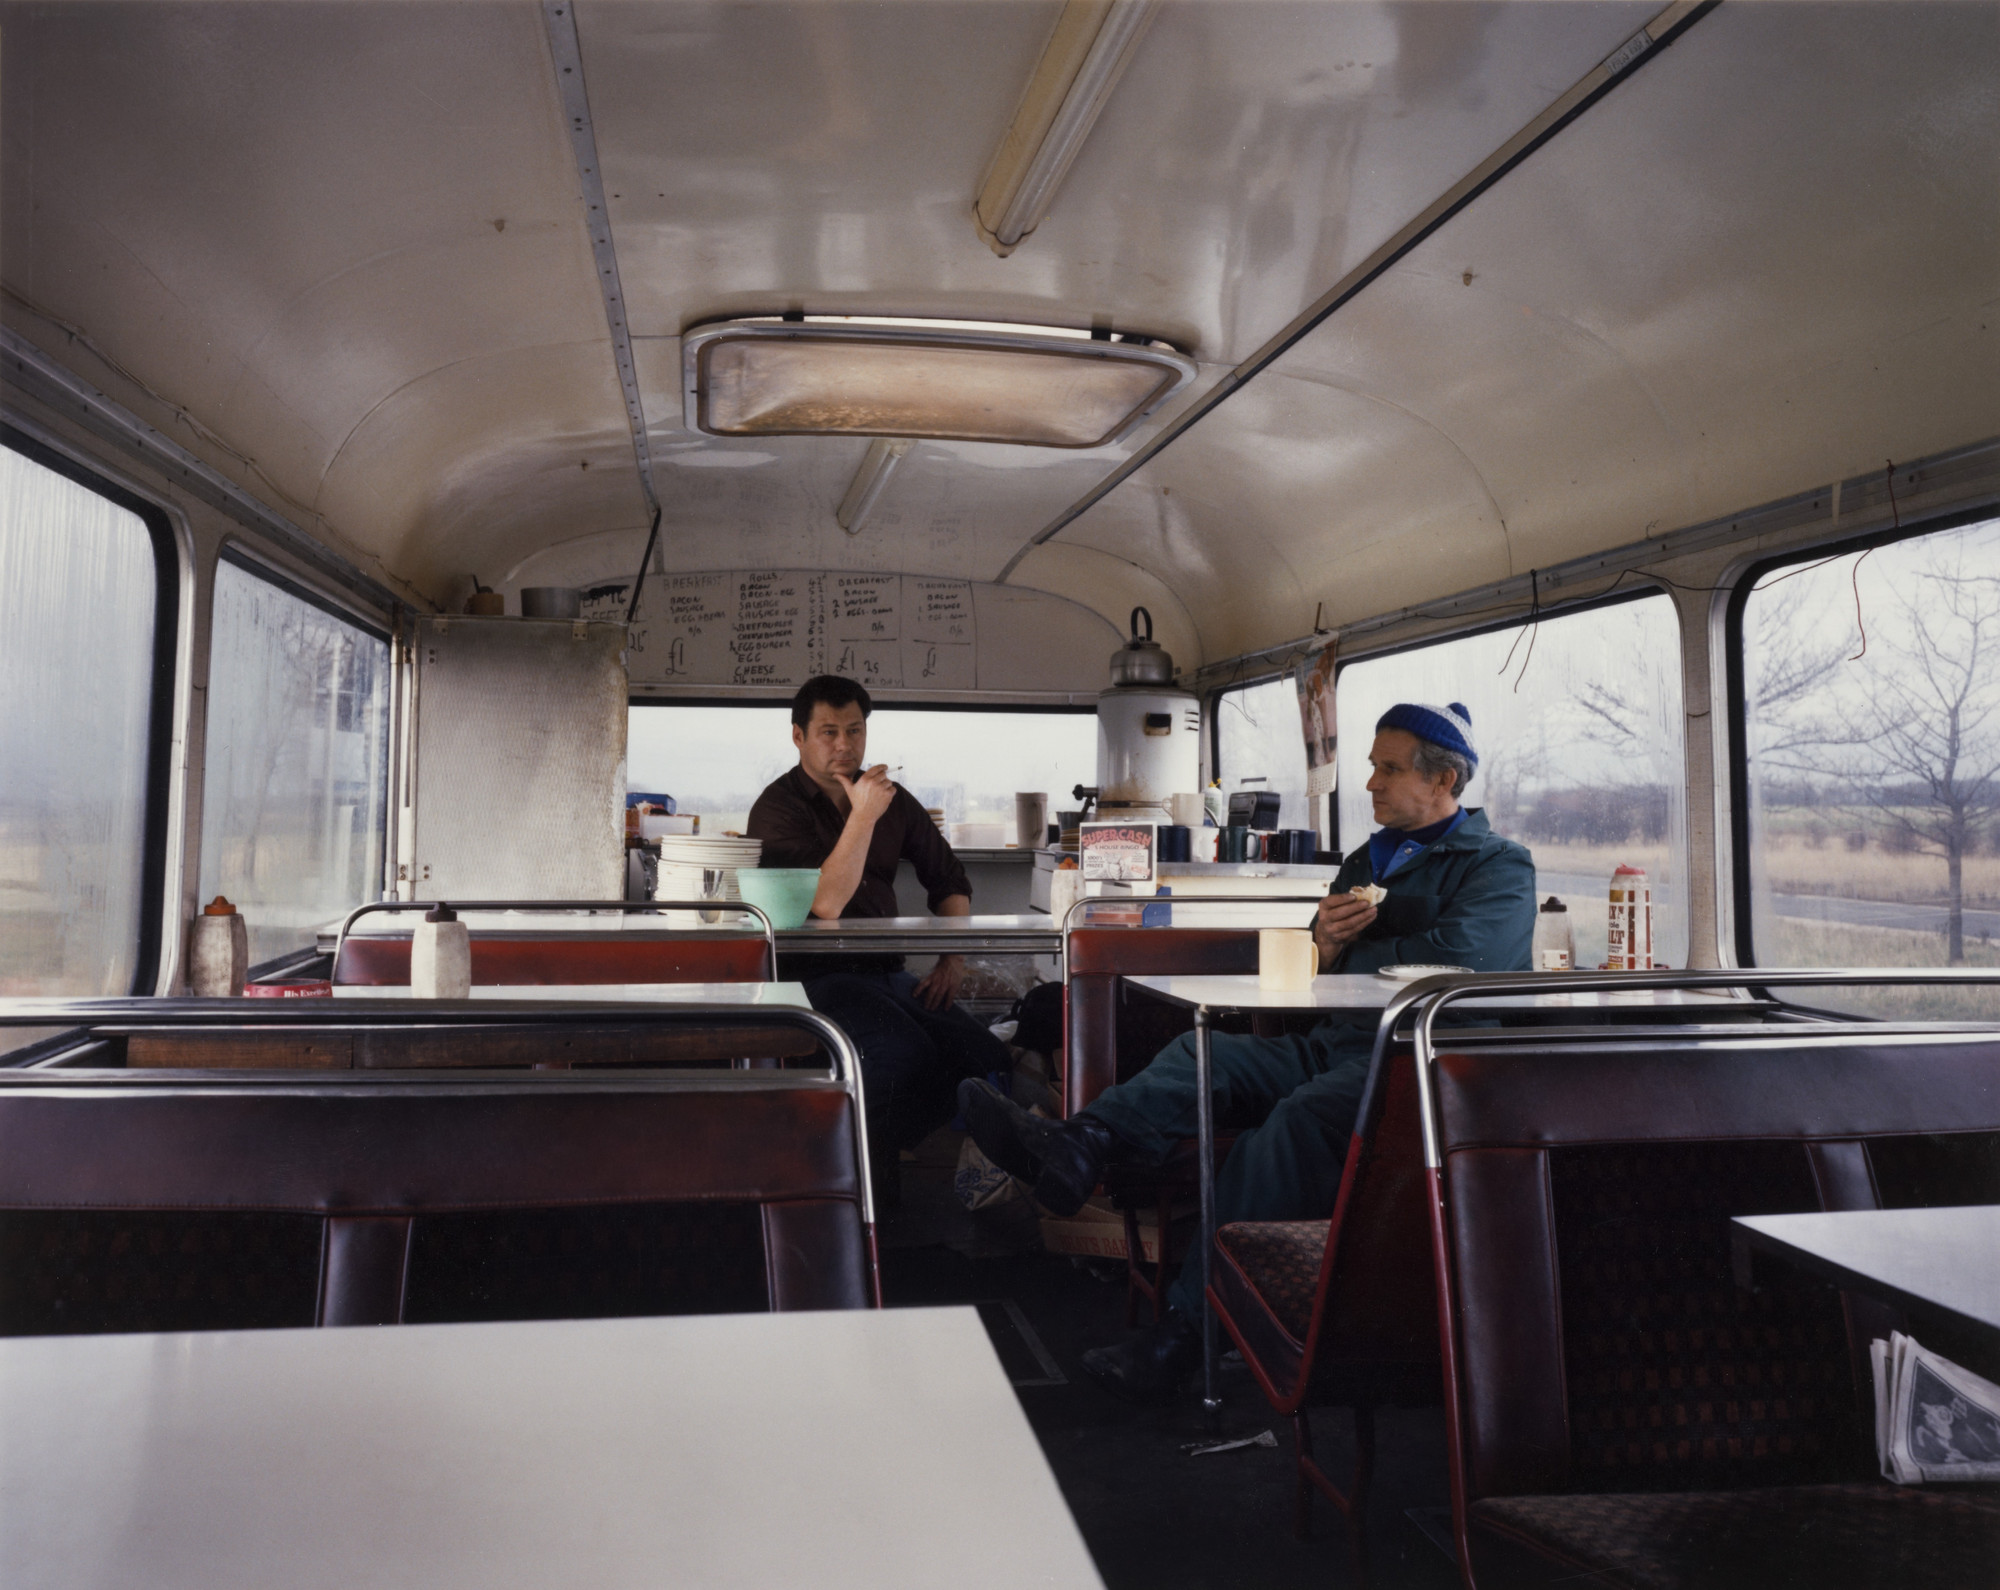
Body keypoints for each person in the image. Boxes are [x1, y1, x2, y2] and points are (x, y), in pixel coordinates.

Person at [961, 701, 1535, 1398]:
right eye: (1373, 767)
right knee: (1203, 1055)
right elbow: (1318, 958)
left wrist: (1349, 950)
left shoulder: (1499, 866)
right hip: (1334, 1039)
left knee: (1291, 1123)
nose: (1371, 784)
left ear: (1444, 780)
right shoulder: (1366, 858)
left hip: (1416, 1062)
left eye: (1389, 769)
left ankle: (1187, 1332)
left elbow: (1459, 965)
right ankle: (1080, 1145)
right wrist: (1323, 942)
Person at [748, 675, 1011, 1205]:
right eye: (828, 732)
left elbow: (950, 881)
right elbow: (826, 903)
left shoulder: (894, 799)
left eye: (855, 730)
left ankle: (874, 1152)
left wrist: (952, 961)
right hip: (814, 979)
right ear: (798, 737)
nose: (844, 745)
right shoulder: (778, 807)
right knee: (898, 1052)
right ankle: (855, 1190)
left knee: (982, 1054)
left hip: (886, 972)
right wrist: (864, 815)